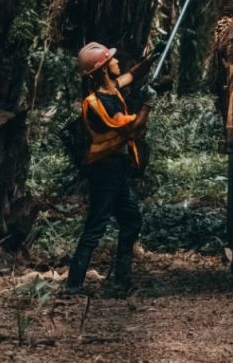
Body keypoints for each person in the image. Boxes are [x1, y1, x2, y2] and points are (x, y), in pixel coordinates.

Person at [65, 42, 156, 296]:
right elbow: (131, 129)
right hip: (104, 170)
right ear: (104, 69)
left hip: (115, 168)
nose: (117, 62)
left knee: (131, 220)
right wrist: (148, 104)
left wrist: (149, 61)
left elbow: (131, 75)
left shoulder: (111, 89)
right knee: (96, 226)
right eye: (112, 61)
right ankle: (74, 284)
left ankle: (120, 281)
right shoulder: (99, 103)